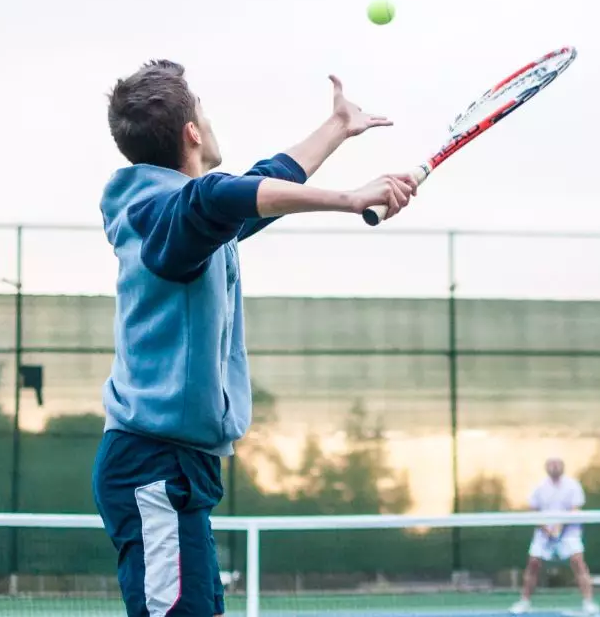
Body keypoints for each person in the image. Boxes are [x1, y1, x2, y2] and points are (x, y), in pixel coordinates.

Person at [92, 61, 415, 617]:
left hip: (177, 468)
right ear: (192, 132)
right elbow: (219, 197)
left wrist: (337, 128)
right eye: (203, 113)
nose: (209, 121)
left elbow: (255, 185)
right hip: (153, 467)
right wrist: (351, 198)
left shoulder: (181, 216)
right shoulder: (168, 216)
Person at [511, 457, 598, 616]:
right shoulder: (539, 487)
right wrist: (547, 529)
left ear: (563, 467)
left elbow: (574, 509)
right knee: (533, 563)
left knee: (578, 562)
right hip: (544, 534)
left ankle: (589, 602)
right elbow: (534, 512)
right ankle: (524, 602)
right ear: (546, 467)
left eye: (557, 464)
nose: (554, 467)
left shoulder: (573, 485)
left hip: (569, 532)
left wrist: (560, 527)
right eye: (551, 464)